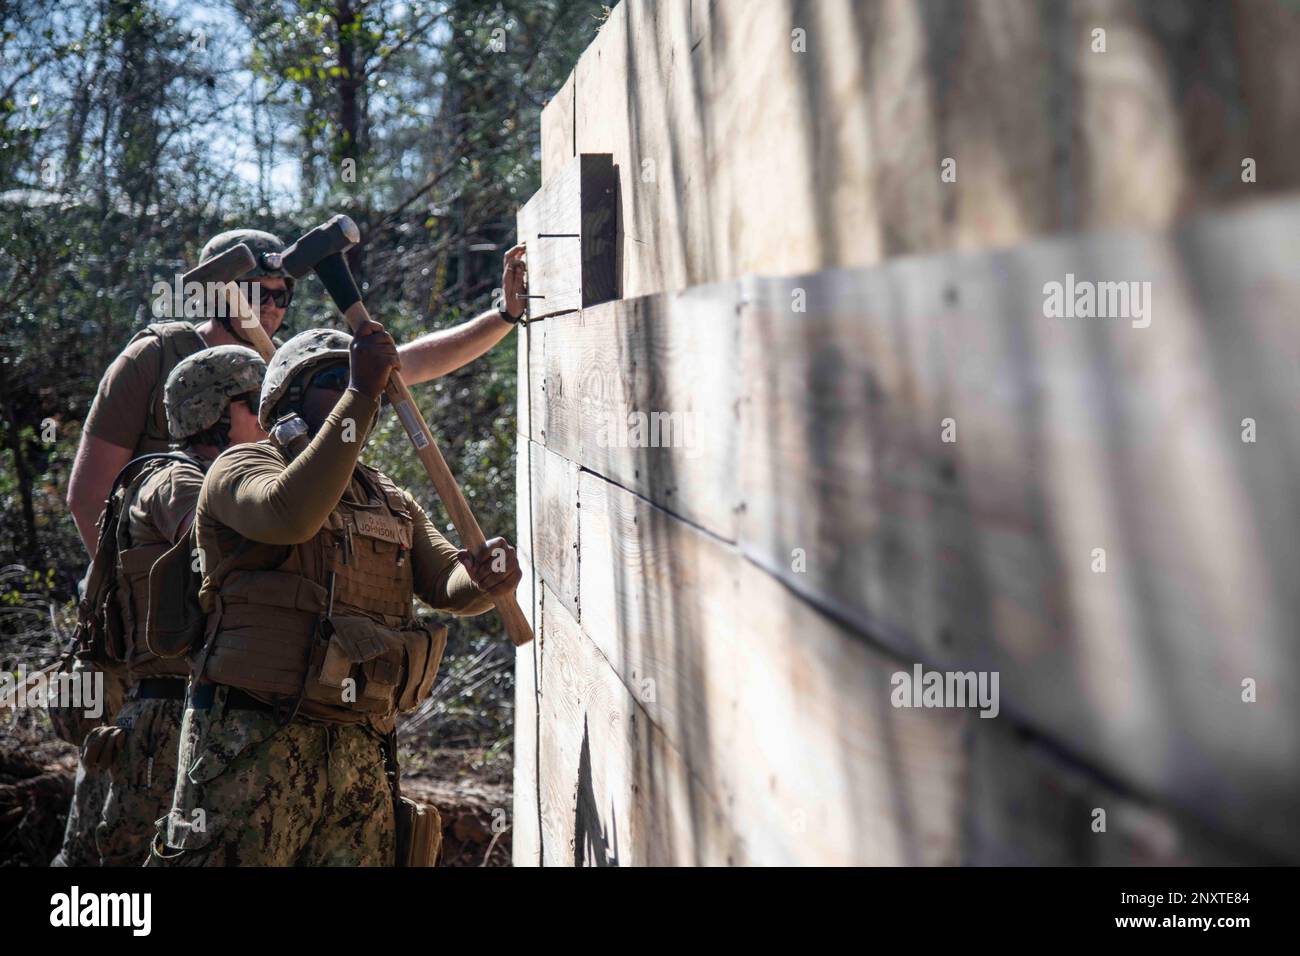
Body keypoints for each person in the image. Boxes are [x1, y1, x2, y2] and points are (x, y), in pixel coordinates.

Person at [149, 322, 521, 866]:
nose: (356, 387)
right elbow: (290, 514)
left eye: (359, 380)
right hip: (250, 739)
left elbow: (449, 584)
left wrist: (488, 580)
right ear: (290, 399)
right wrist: (363, 391)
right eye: (335, 378)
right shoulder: (241, 466)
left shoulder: (386, 497)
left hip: (360, 750)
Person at [67, 229, 527, 552]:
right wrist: (123, 591)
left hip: (248, 574)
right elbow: (88, 494)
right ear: (218, 292)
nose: (269, 308)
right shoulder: (155, 356)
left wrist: (503, 316)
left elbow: (406, 364)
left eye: (280, 295)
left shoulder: (288, 366)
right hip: (155, 570)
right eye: (255, 294)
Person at [76, 346, 268, 866]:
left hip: (184, 711)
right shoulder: (178, 482)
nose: (267, 414)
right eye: (255, 402)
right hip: (165, 715)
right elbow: (225, 544)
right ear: (212, 412)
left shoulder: (208, 478)